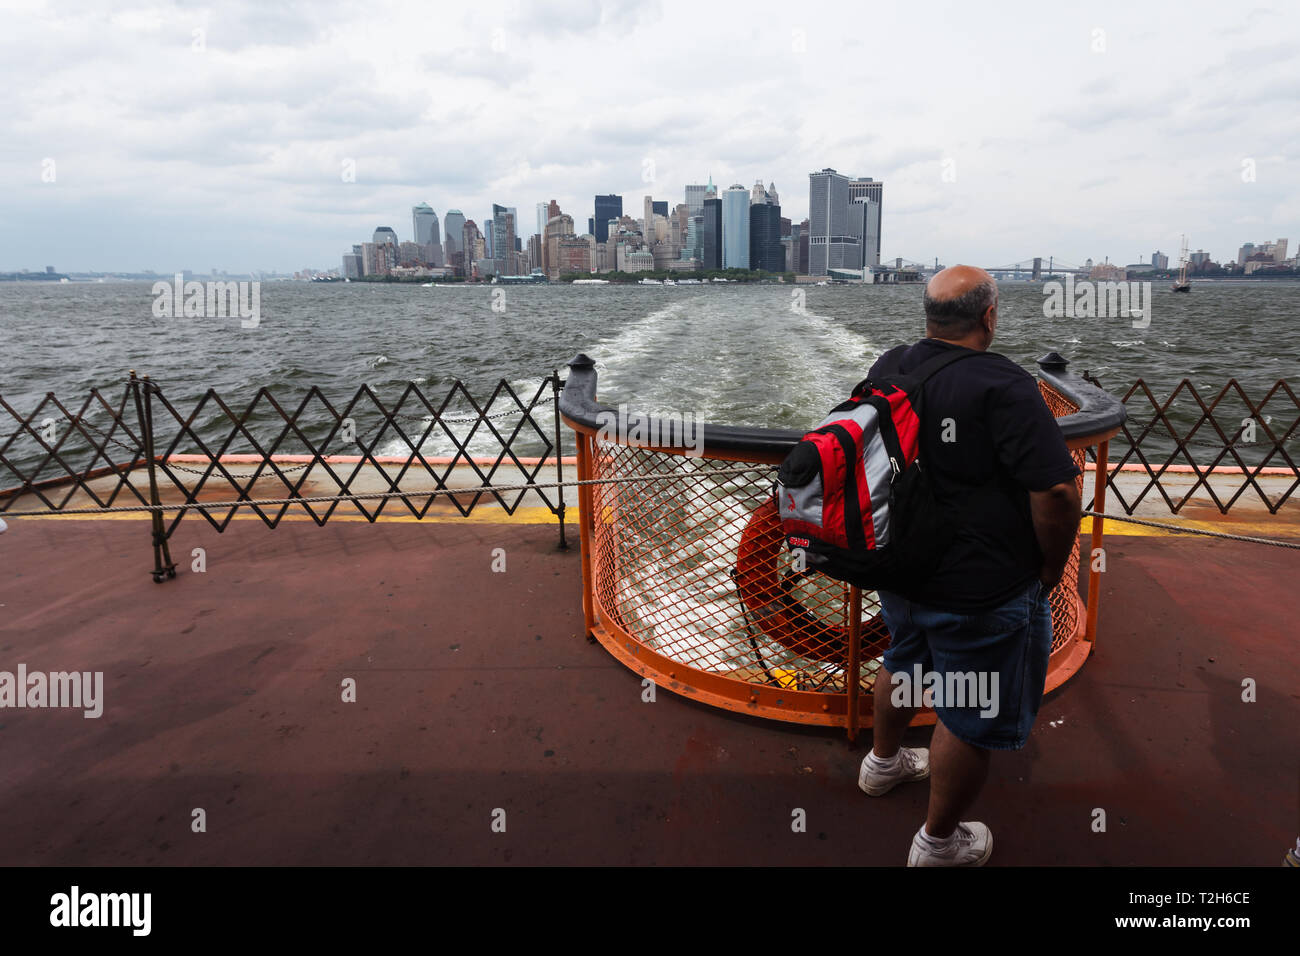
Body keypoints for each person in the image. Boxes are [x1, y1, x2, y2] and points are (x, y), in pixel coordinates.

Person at [855, 265, 1082, 866]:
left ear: (927, 316)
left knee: (903, 658)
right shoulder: (1004, 383)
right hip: (981, 586)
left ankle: (882, 765)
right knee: (969, 708)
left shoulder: (890, 365)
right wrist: (1052, 569)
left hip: (900, 568)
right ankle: (938, 843)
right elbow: (1057, 493)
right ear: (989, 317)